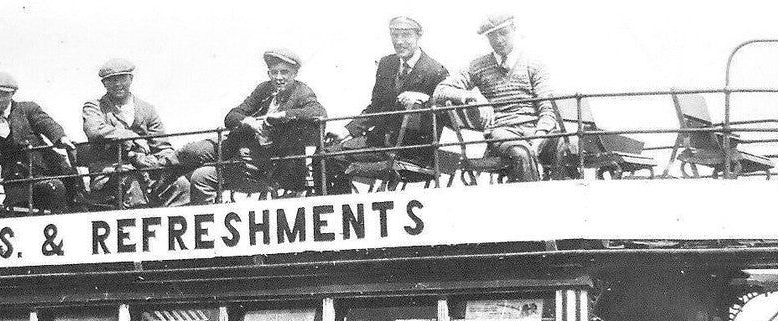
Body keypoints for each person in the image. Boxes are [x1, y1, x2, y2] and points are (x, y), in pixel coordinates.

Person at [180, 49, 326, 204]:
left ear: (294, 74)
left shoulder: (302, 92)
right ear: (269, 74)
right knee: (200, 176)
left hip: (277, 168)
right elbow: (232, 116)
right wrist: (247, 121)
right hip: (248, 163)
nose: (278, 77)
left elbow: (318, 112)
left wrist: (283, 115)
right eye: (274, 72)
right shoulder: (264, 89)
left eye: (284, 72)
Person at [432, 12, 561, 182]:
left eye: (503, 33)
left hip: (536, 130)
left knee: (566, 146)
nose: (499, 40)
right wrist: (473, 97)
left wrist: (539, 137)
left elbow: (547, 108)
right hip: (502, 132)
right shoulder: (478, 66)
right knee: (521, 153)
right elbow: (440, 91)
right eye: (492, 36)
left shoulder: (534, 64)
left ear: (514, 29)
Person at [327, 16, 449, 191]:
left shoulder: (436, 71)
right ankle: (341, 205)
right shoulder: (387, 64)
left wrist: (426, 100)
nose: (399, 41)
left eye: (406, 35)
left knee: (332, 159)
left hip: (410, 151)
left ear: (419, 35)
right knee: (324, 155)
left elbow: (445, 111)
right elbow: (376, 107)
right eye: (395, 35)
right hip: (379, 142)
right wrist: (347, 130)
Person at [0, 71, 76, 213]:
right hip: (15, 182)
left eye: (5, 94)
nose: (0, 99)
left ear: (13, 94)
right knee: (48, 191)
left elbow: (47, 124)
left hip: (44, 173)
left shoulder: (27, 109)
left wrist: (60, 137)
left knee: (64, 187)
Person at [82, 58, 190, 208]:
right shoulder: (95, 107)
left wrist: (164, 164)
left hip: (146, 169)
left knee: (181, 185)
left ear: (131, 79)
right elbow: (94, 130)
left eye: (122, 78)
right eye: (112, 80)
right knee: (132, 183)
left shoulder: (147, 109)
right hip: (109, 172)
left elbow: (162, 146)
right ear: (104, 83)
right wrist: (130, 136)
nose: (118, 84)